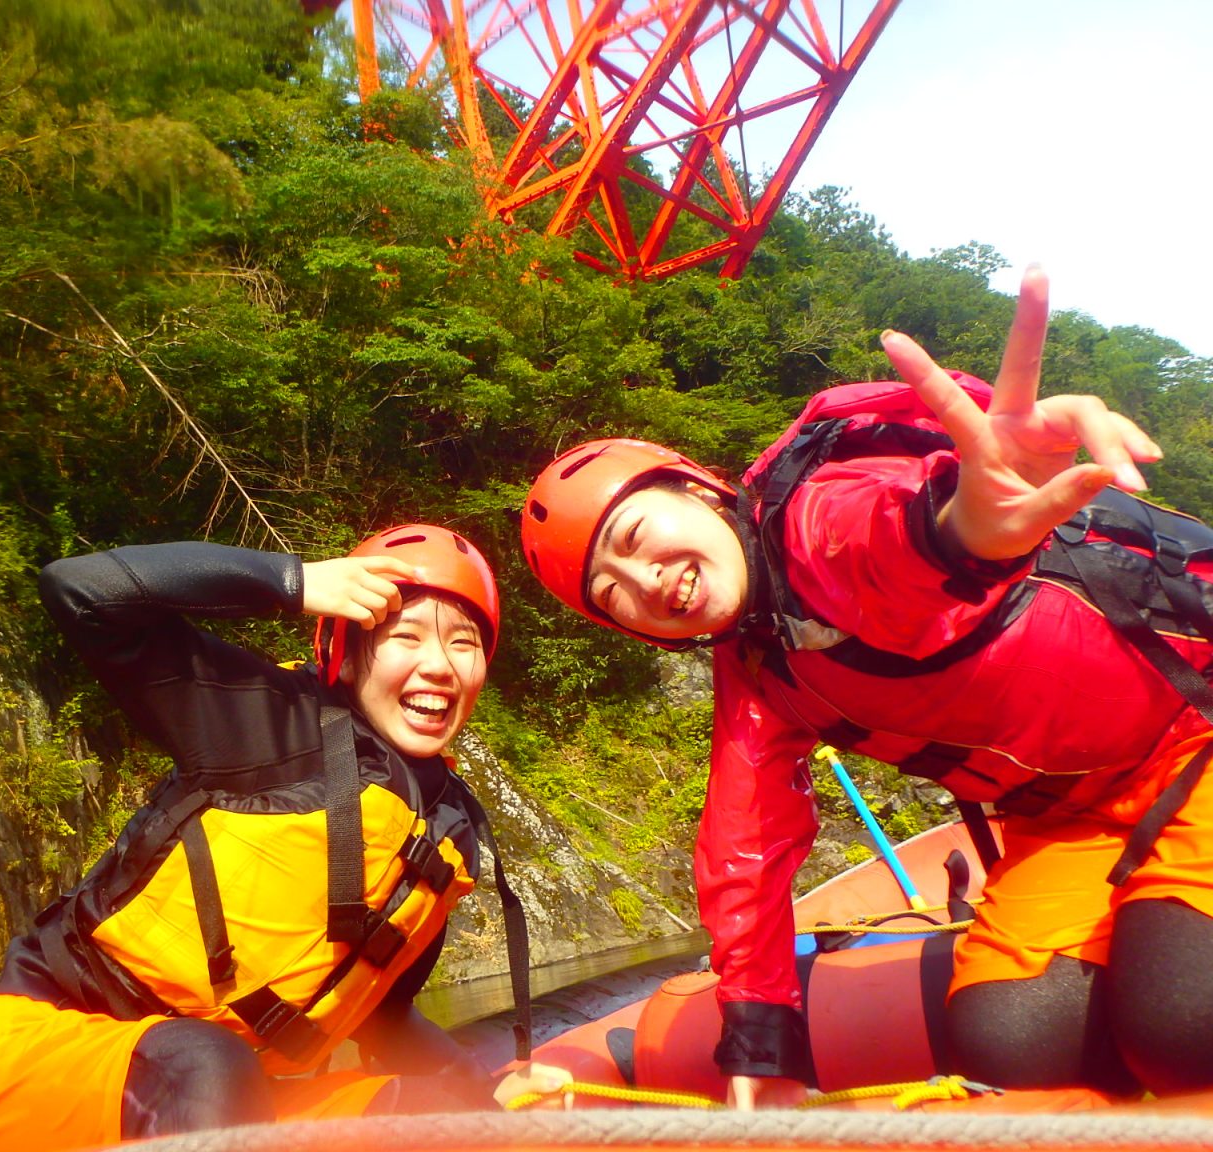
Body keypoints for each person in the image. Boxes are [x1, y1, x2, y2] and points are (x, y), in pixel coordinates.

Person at [519, 267, 1213, 1109]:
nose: (642, 579)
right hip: (1070, 818)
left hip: (1196, 732)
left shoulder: (815, 510)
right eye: (611, 592)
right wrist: (758, 1046)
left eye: (633, 534)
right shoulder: (761, 671)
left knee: (1182, 1021)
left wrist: (959, 526)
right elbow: (744, 849)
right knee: (1009, 1044)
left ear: (700, 490)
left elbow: (879, 542)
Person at [0, 524, 513, 1151]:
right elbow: (79, 590)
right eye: (406, 637)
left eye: (463, 644)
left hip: (228, 1098)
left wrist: (482, 1096)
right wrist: (291, 581)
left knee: (432, 1114)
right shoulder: (264, 722)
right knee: (207, 1063)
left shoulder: (447, 833)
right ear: (346, 650)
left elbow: (384, 1020)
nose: (439, 666)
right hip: (28, 1067)